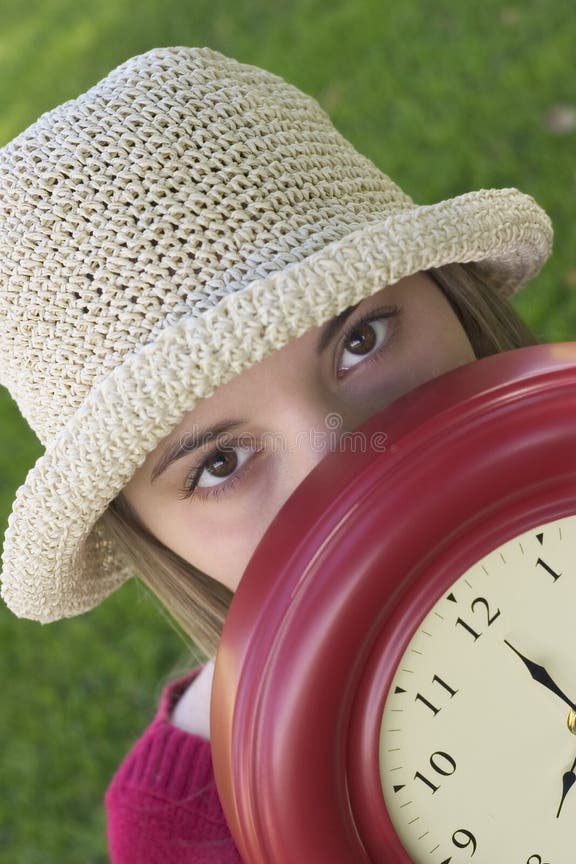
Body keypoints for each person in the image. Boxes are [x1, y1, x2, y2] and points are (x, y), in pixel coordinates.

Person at [0, 46, 553, 863]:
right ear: (151, 535)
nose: (344, 467)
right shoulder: (189, 833)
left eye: (361, 339)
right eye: (219, 463)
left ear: (448, 293)